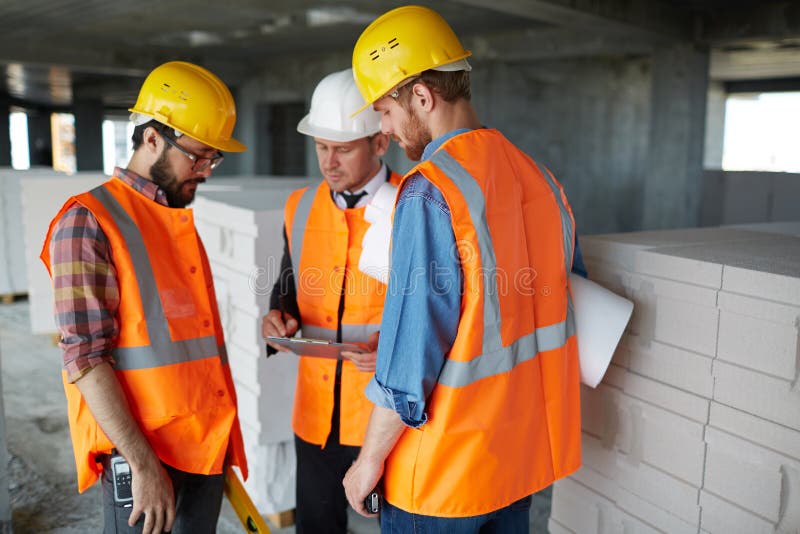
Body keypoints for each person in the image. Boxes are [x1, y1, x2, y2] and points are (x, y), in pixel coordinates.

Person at [342, 6, 583, 532]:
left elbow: (409, 365)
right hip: (515, 463)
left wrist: (366, 463)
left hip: (442, 475)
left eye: (384, 110)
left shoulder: (431, 190)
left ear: (422, 98)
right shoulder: (541, 179)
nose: (383, 127)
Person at [40, 61, 248, 534]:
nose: (206, 171)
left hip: (204, 447)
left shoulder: (171, 221)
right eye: (197, 156)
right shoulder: (88, 221)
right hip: (147, 460)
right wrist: (143, 466)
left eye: (214, 159)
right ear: (152, 137)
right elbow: (86, 360)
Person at [260, 68, 401, 533]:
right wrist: (277, 319)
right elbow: (288, 285)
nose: (328, 161)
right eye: (321, 147)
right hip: (315, 415)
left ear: (380, 142)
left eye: (343, 148)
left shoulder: (415, 205)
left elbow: (443, 311)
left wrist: (393, 350)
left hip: (384, 416)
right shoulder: (299, 205)